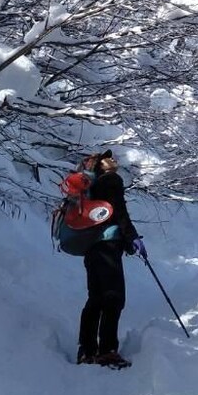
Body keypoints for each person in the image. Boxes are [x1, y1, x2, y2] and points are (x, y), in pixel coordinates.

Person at [76, 149, 143, 368]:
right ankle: (107, 351)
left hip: (92, 247)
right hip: (107, 246)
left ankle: (87, 350)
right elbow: (120, 212)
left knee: (95, 298)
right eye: (108, 158)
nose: (114, 160)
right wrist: (132, 238)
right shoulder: (111, 180)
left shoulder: (92, 187)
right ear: (101, 166)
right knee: (113, 298)